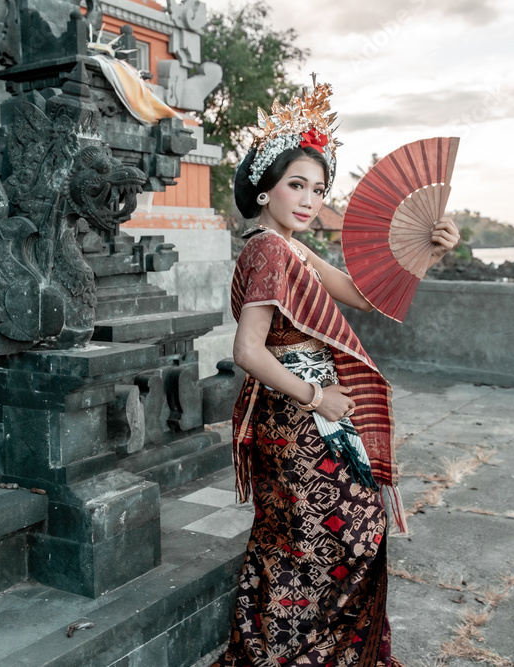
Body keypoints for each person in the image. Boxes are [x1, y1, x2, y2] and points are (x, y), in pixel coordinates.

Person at [212, 80, 460, 667]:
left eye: (318, 189)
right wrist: (318, 396)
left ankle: (305, 654)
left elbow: (360, 294)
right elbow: (248, 350)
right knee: (331, 537)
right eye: (295, 184)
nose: (307, 199)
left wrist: (426, 252)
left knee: (306, 540)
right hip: (298, 416)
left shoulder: (290, 249)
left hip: (299, 417)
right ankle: (299, 655)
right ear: (265, 186)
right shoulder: (271, 252)